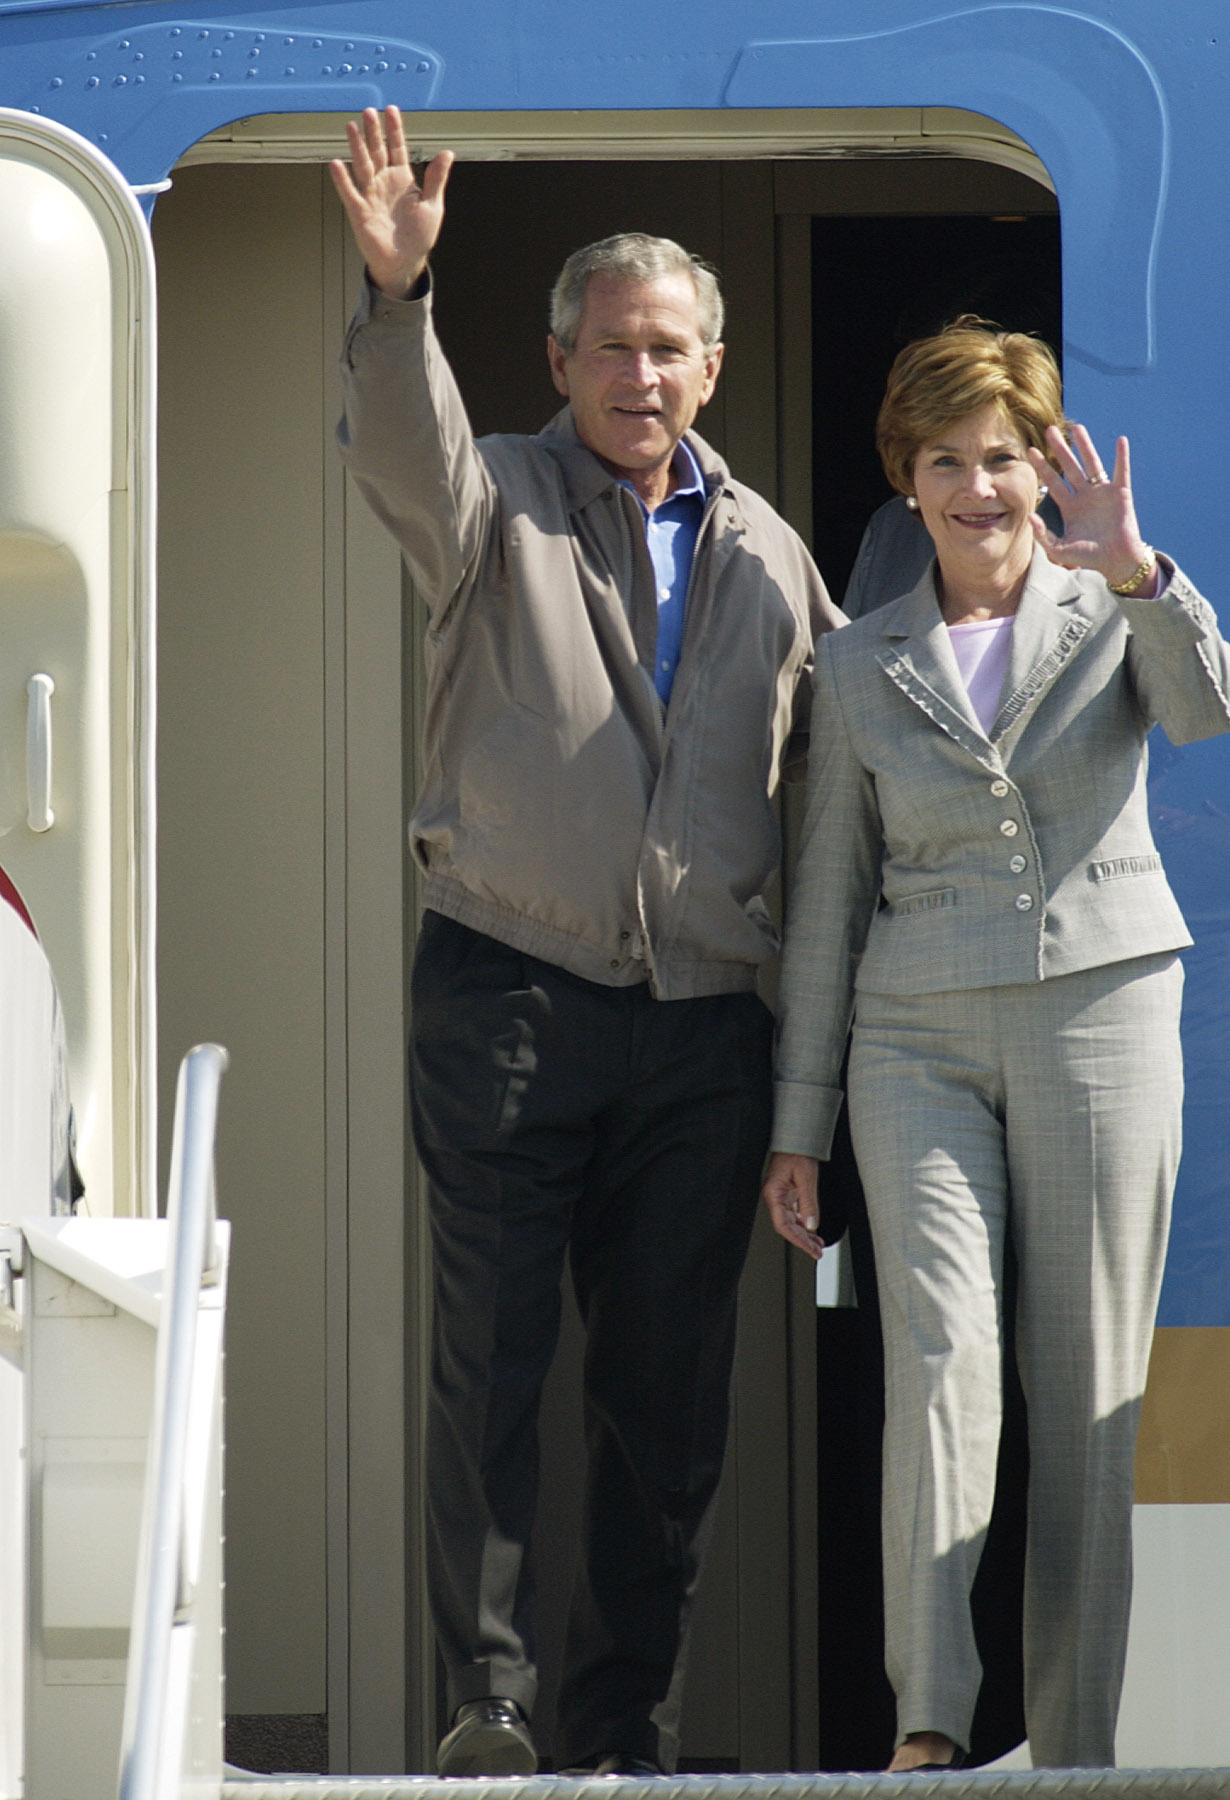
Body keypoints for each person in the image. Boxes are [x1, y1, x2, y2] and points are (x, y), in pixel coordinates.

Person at [329, 106, 843, 1777]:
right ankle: (489, 1706)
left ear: (709, 367)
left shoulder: (772, 548)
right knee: (490, 1366)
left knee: (667, 1405)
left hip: (701, 1028)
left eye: (668, 349)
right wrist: (397, 297)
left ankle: (624, 1730)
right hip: (506, 990)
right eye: (610, 347)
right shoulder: (495, 509)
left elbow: (852, 765)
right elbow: (402, 454)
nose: (640, 373)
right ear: (557, 362)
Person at [761, 317, 1230, 1771]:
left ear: (1045, 469)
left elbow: (1207, 710)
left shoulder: (1114, 608)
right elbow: (827, 899)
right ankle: (928, 1720)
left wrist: (1138, 572)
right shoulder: (853, 664)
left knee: (1087, 1387)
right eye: (948, 459)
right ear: (905, 478)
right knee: (937, 1361)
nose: (980, 486)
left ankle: (1074, 1743)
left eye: (1006, 456)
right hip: (912, 1035)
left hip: (1100, 1017)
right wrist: (797, 1122)